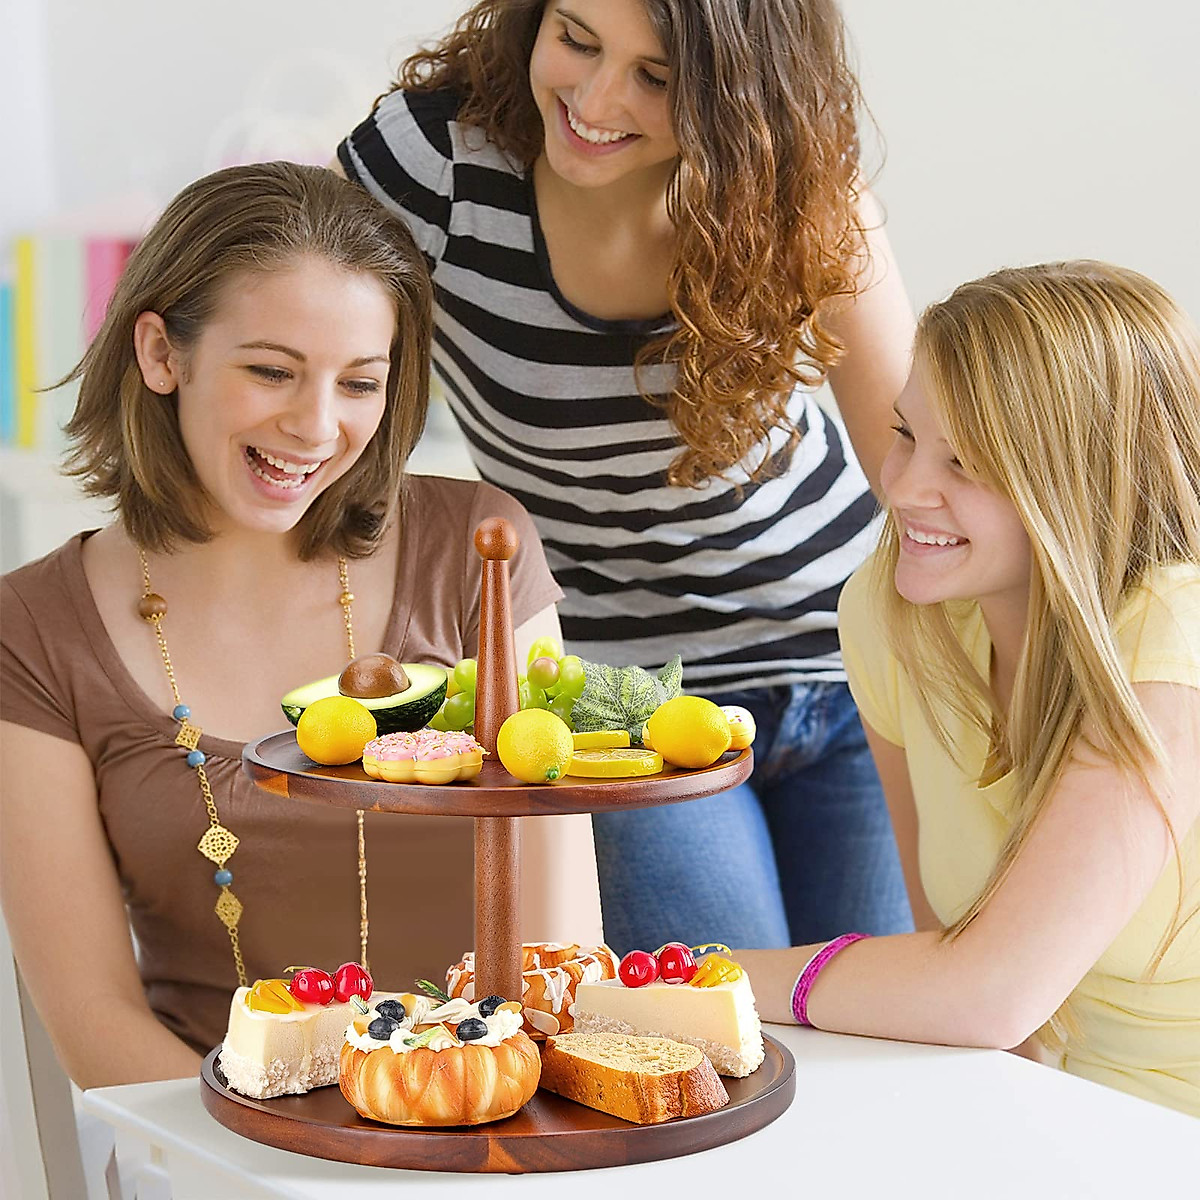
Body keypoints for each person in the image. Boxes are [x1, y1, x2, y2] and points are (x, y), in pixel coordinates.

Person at [0, 162, 602, 1088]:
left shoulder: (479, 549)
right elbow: (93, 1024)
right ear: (160, 354)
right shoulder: (33, 628)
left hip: (491, 1130)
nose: (316, 426)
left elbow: (560, 954)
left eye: (358, 384)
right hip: (211, 1153)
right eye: (272, 371)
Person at [334, 0, 917, 953]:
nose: (596, 100)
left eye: (656, 76)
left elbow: (914, 464)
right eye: (577, 38)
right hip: (622, 696)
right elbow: (309, 349)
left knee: (890, 1051)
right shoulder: (435, 164)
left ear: (742, 96)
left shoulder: (797, 187)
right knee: (720, 1041)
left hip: (854, 664)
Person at [736, 261, 1200, 1119]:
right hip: (1058, 1114)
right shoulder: (893, 617)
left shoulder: (1175, 627)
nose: (906, 488)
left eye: (968, 463)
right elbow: (951, 968)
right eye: (906, 433)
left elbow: (986, 990)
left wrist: (692, 980)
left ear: (1080, 484)